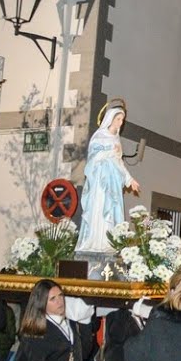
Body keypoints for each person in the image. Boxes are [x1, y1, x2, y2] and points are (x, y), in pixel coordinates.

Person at [75, 101, 141, 254]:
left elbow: (119, 163)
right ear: (110, 119)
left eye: (122, 120)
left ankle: (107, 242)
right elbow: (92, 158)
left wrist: (130, 179)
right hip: (99, 180)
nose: (120, 123)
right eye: (118, 119)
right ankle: (95, 241)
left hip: (113, 181)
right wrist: (109, 152)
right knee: (99, 207)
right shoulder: (99, 136)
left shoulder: (117, 140)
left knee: (111, 209)